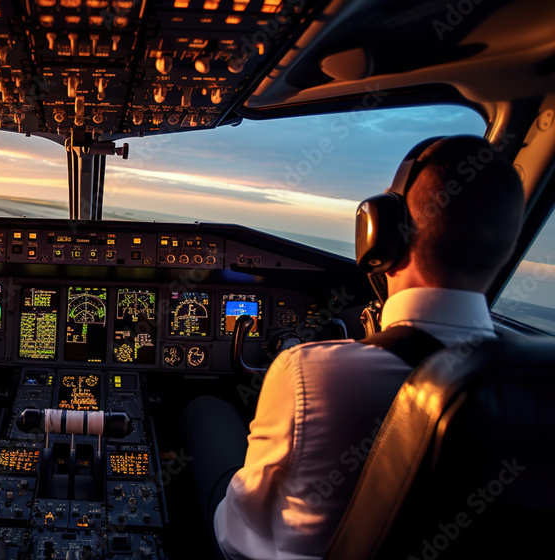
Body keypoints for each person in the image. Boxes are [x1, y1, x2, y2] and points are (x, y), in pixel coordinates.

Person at [181, 135, 525, 559]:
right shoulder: (529, 391)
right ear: (507, 249)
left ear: (379, 235)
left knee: (206, 409)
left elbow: (236, 536)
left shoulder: (312, 372)